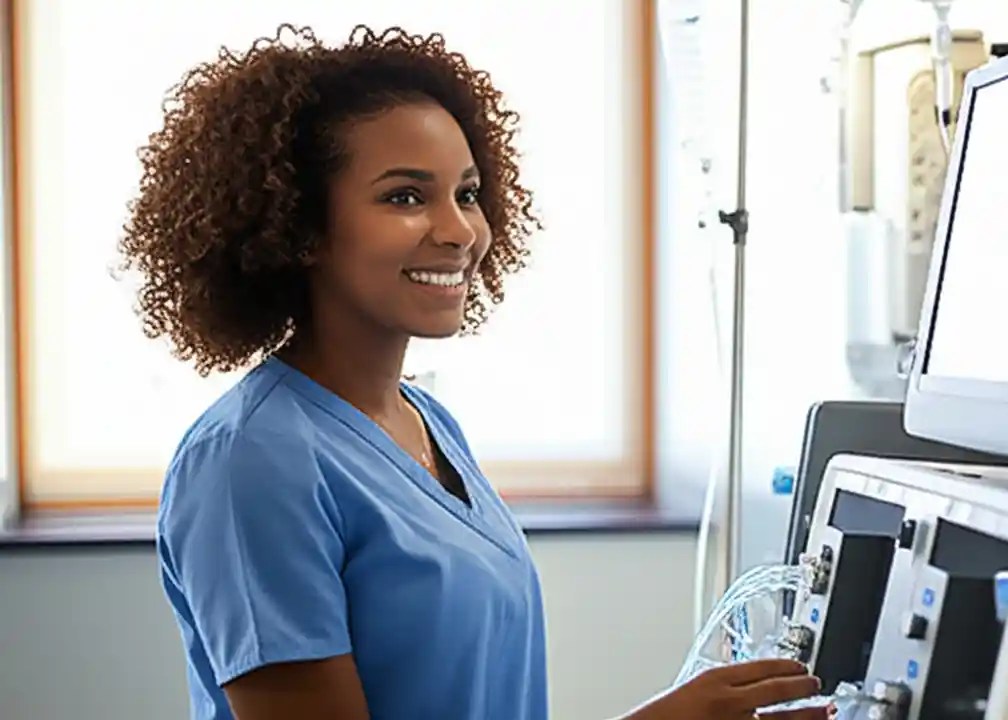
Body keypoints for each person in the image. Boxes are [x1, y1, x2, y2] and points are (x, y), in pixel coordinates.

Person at [118, 25, 829, 720]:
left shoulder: (426, 423)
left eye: (466, 192)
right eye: (404, 196)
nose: (460, 230)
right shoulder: (252, 459)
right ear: (300, 227)